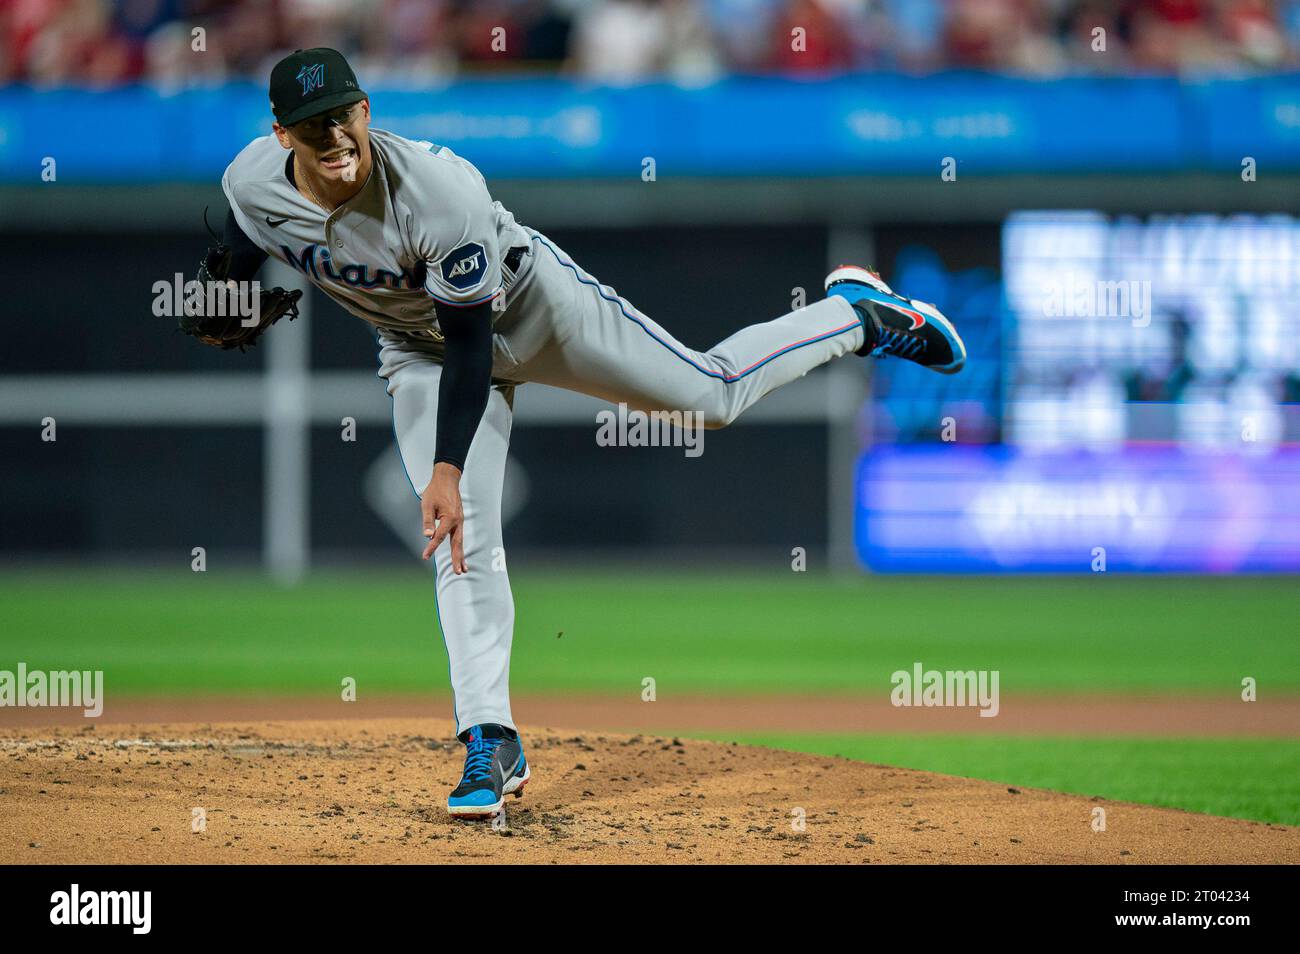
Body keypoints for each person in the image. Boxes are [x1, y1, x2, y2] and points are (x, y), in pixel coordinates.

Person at [202, 47, 965, 819]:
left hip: (532, 308)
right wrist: (224, 293)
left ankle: (854, 318)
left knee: (710, 396)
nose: (332, 135)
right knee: (463, 541)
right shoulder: (251, 182)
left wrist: (443, 468)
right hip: (416, 350)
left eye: (341, 114)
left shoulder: (436, 191)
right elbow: (241, 241)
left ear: (365, 110)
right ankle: (489, 739)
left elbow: (472, 346)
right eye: (310, 125)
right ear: (279, 134)